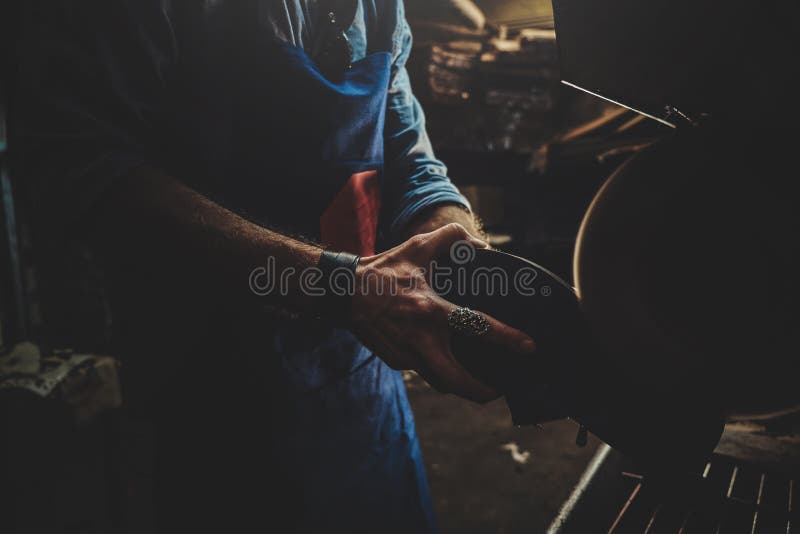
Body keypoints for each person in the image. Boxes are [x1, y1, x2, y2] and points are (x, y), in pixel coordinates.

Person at [17, 1, 536, 531]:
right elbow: (84, 171)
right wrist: (337, 284)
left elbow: (406, 152)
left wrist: (456, 245)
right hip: (211, 404)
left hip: (362, 386)